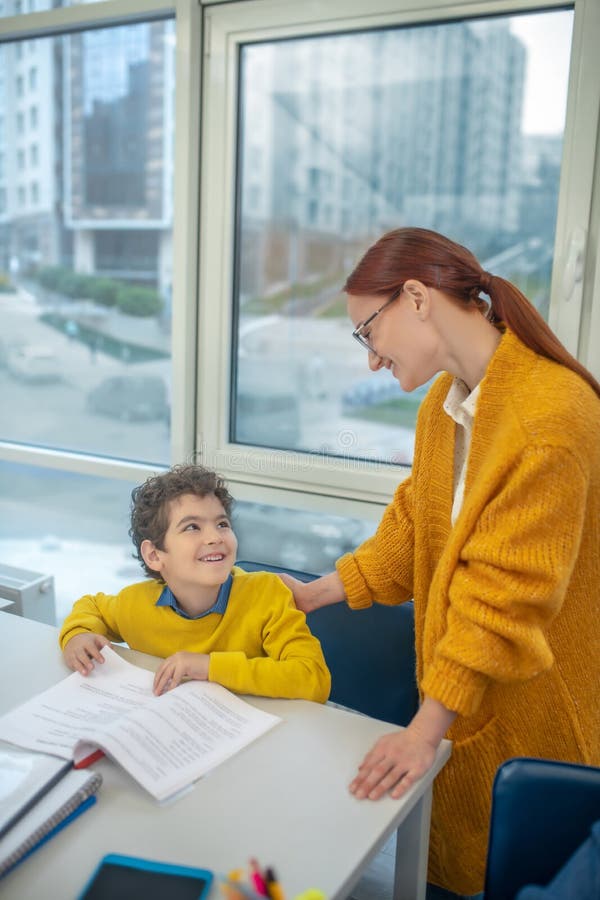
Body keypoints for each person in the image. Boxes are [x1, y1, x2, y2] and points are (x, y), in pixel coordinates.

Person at [280, 228, 600, 898]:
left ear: (417, 298)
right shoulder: (446, 407)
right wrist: (313, 594)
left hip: (538, 708)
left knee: (512, 872)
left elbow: (503, 600)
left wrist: (423, 732)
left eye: (368, 332)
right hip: (464, 701)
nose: (370, 360)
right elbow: (410, 535)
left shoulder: (552, 414)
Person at [59, 464, 330, 703]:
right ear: (154, 555)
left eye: (222, 524)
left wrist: (209, 667)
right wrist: (77, 635)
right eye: (192, 527)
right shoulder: (136, 604)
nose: (215, 537)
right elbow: (91, 606)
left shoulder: (267, 595)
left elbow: (313, 678)